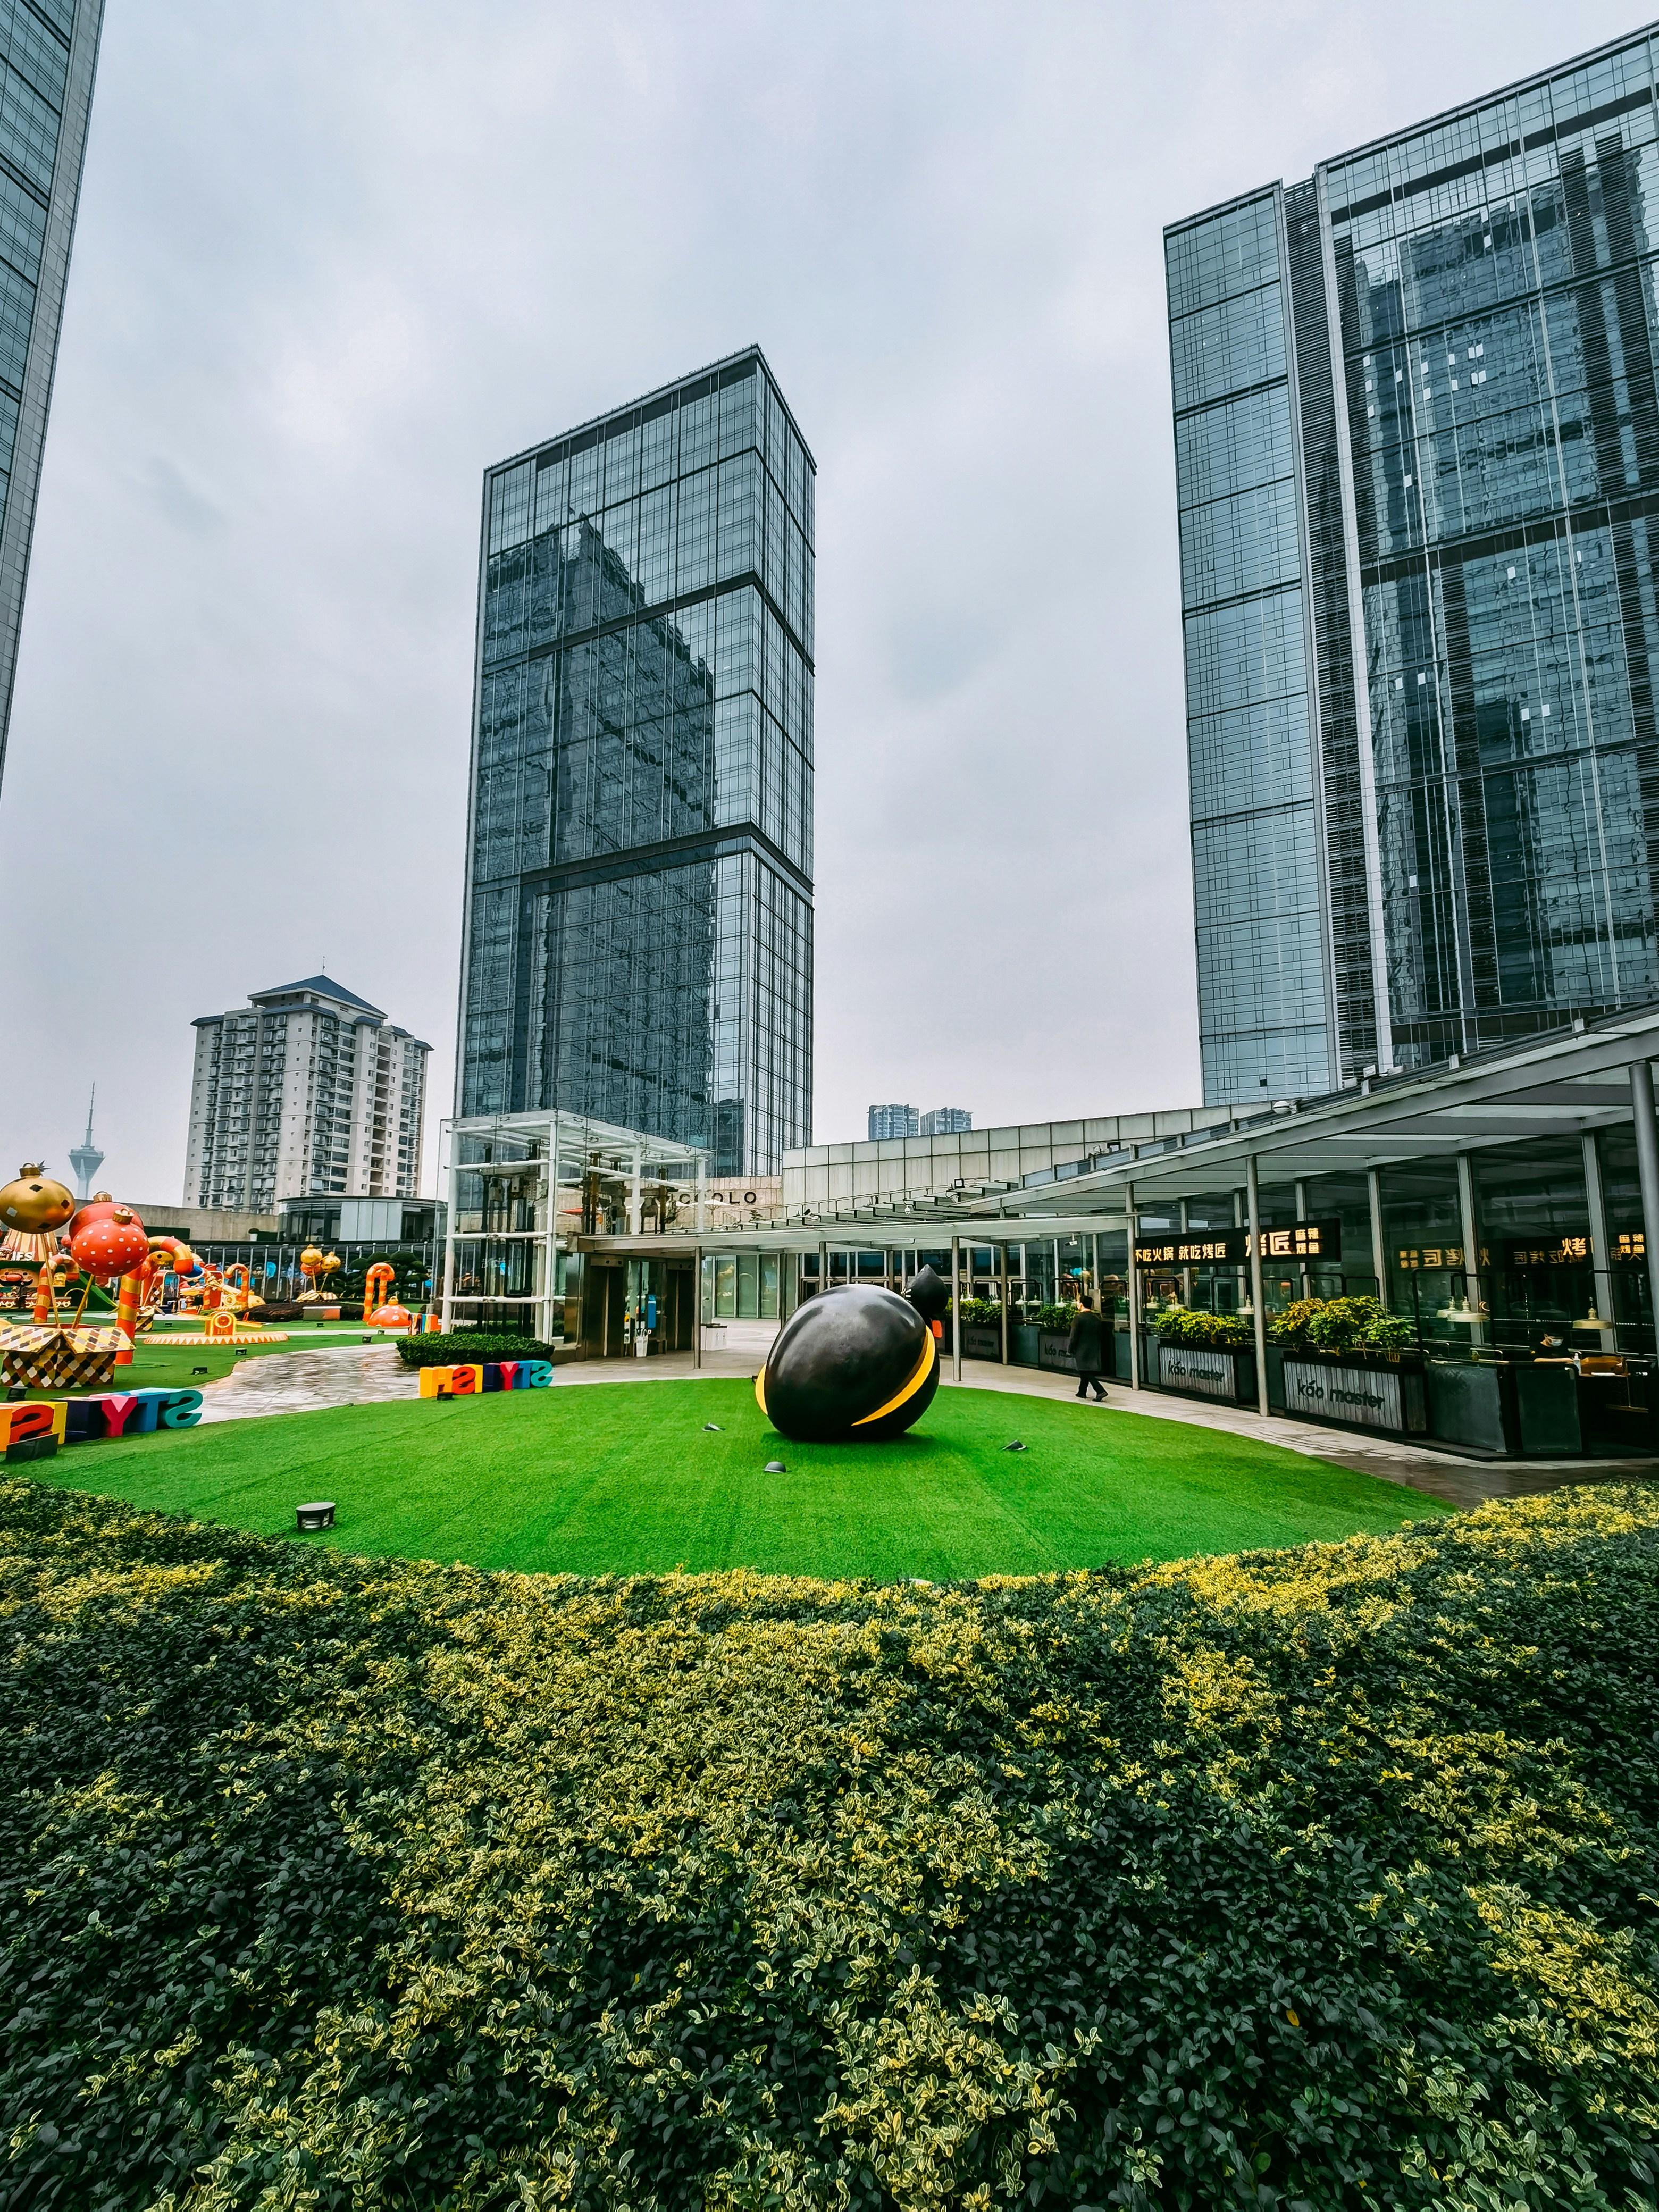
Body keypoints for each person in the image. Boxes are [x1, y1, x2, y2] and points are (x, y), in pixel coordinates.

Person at [1067, 1300, 1109, 1401]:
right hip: (1094, 1347)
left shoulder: (1078, 1318)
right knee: (1085, 1369)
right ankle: (1082, 1391)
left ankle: (1100, 1390)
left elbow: (1074, 1336)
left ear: (1082, 1304)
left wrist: (1070, 1348)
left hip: (1082, 1348)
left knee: (1084, 1370)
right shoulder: (1096, 1318)